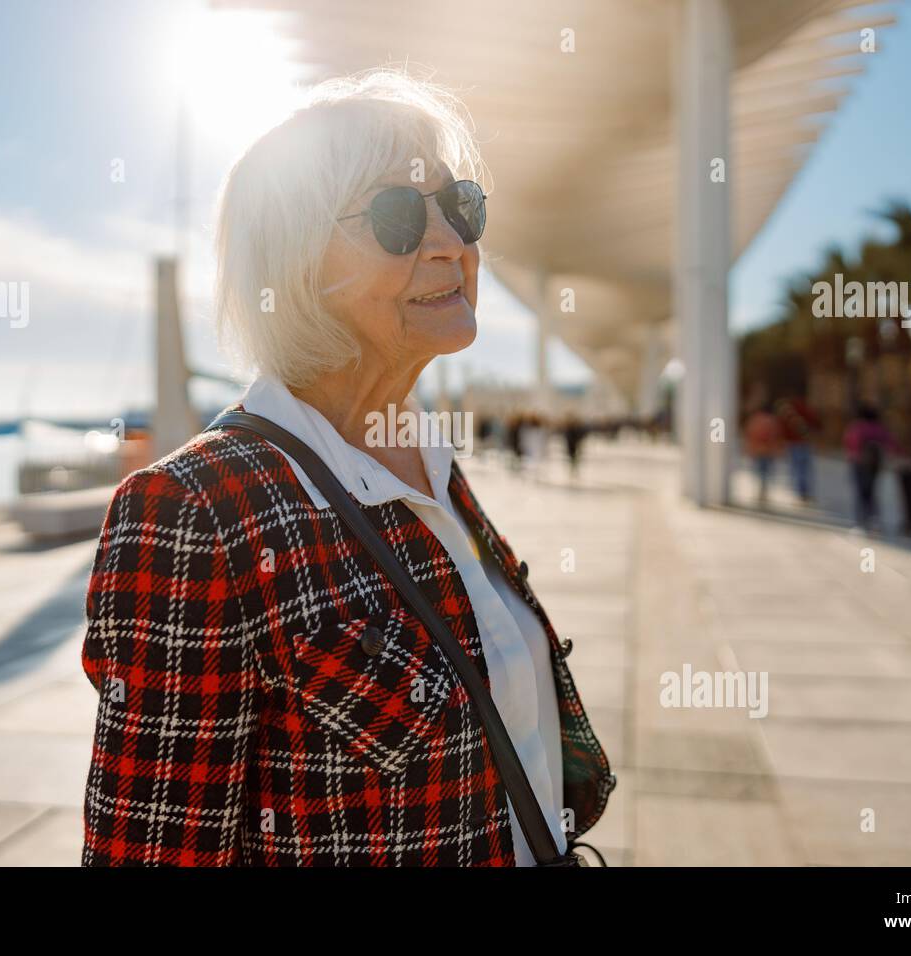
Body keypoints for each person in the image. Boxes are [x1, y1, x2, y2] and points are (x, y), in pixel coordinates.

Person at [79, 69, 612, 867]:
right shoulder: (198, 511)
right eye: (398, 216)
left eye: (460, 207)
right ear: (297, 263)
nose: (451, 244)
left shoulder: (432, 464)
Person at [842, 403, 902, 532]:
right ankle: (875, 520)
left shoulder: (857, 427)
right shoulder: (880, 428)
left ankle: (861, 522)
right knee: (872, 492)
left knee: (860, 493)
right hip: (875, 464)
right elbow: (892, 443)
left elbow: (849, 443)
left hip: (858, 463)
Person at [776, 395, 821, 502]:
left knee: (797, 468)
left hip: (793, 444)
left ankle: (801, 491)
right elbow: (815, 422)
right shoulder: (804, 410)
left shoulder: (785, 413)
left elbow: (782, 430)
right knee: (805, 469)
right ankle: (804, 491)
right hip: (804, 442)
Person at [744, 402, 785, 506]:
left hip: (758, 449)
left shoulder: (755, 419)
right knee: (766, 471)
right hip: (769, 450)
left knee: (759, 470)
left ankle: (761, 490)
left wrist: (749, 447)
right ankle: (764, 490)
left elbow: (749, 433)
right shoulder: (773, 420)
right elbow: (777, 435)